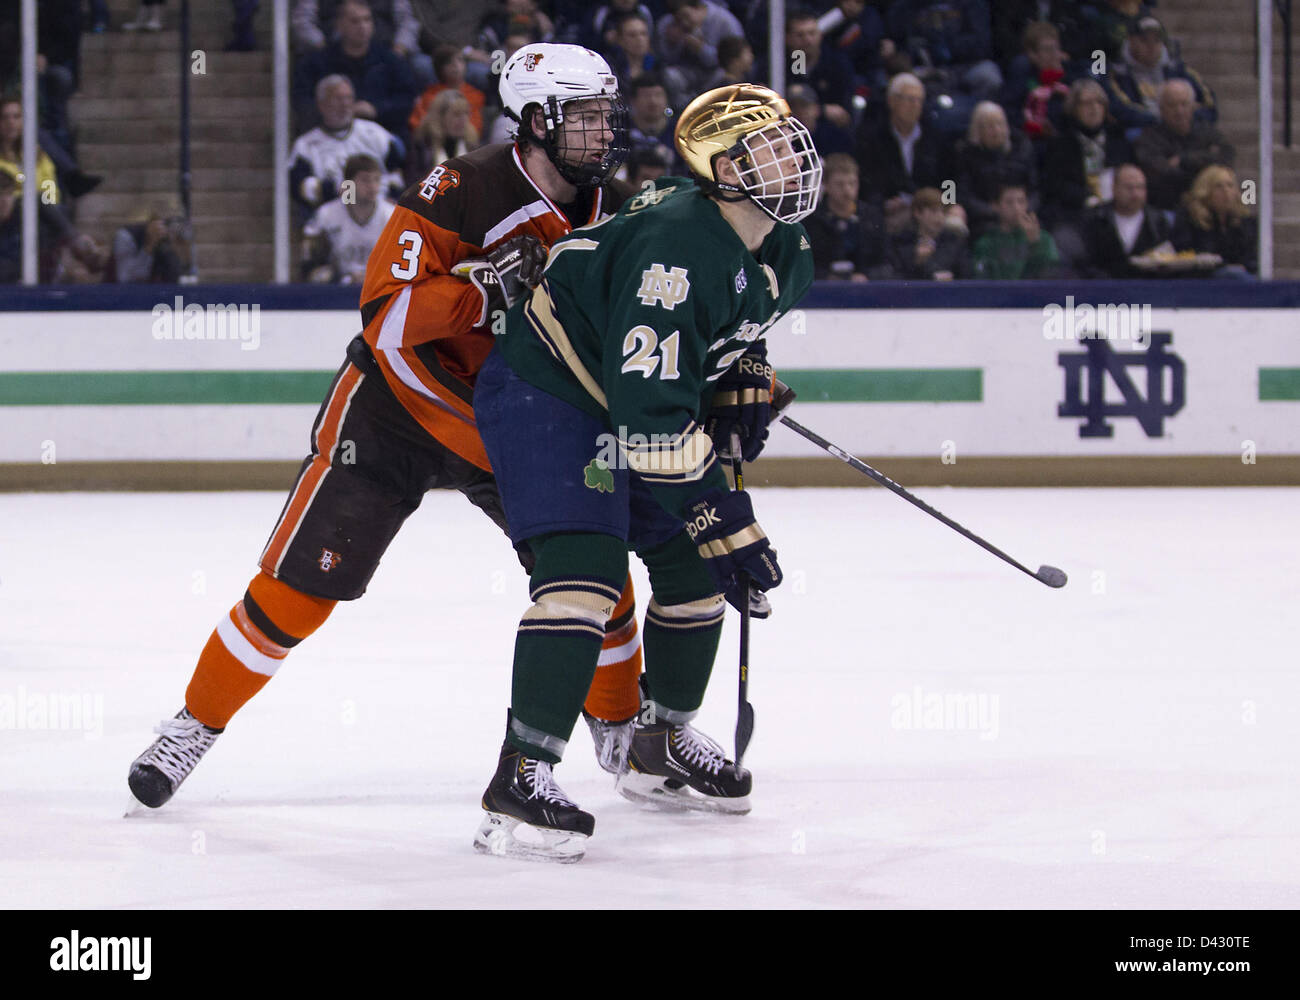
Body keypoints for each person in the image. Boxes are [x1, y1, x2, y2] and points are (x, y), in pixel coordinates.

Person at [126, 43, 647, 811]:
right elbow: (385, 313)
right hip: (395, 411)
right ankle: (194, 724)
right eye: (588, 117)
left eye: (609, 116)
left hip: (513, 422)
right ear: (536, 121)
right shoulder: (460, 187)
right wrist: (479, 293)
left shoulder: (607, 206)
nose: (605, 133)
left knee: (594, 573)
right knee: (295, 590)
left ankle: (621, 722)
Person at [469, 83, 821, 862]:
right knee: (582, 579)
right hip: (550, 392)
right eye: (770, 145)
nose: (794, 156)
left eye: (791, 138)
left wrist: (740, 376)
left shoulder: (785, 245)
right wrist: (721, 514)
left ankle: (656, 743)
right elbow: (650, 420)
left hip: (627, 396)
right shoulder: (677, 249)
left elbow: (722, 336)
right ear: (725, 170)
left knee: (699, 568)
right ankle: (520, 777)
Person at [1133, 78, 1234, 212]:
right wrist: (1205, 167)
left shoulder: (1207, 132)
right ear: (1161, 108)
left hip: (1207, 209)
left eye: (1184, 104)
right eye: (1172, 105)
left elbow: (1226, 159)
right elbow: (1161, 176)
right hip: (1167, 209)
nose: (1179, 111)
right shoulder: (1148, 139)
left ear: (1193, 106)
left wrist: (1184, 160)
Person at [300, 153, 395, 283]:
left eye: (376, 179)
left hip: (382, 288)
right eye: (365, 180)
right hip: (338, 291)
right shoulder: (327, 215)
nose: (372, 186)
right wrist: (342, 278)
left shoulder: (392, 216)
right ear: (348, 183)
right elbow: (310, 266)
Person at [1080, 162, 1170, 278]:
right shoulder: (1095, 218)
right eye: (1129, 188)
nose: (1135, 194)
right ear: (1114, 188)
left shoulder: (1158, 221)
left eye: (1140, 187)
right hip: (1103, 290)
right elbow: (1084, 262)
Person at [1172, 165, 1258, 277]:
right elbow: (1187, 255)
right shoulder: (1189, 219)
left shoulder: (1245, 221)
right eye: (1219, 186)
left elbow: (1250, 260)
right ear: (1206, 191)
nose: (1226, 191)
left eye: (1230, 185)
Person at [970, 181, 1059, 278]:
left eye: (1021, 201)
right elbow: (982, 280)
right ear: (995, 206)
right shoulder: (986, 243)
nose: (1016, 208)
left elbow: (1051, 277)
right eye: (1009, 202)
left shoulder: (1044, 239)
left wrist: (1036, 244)